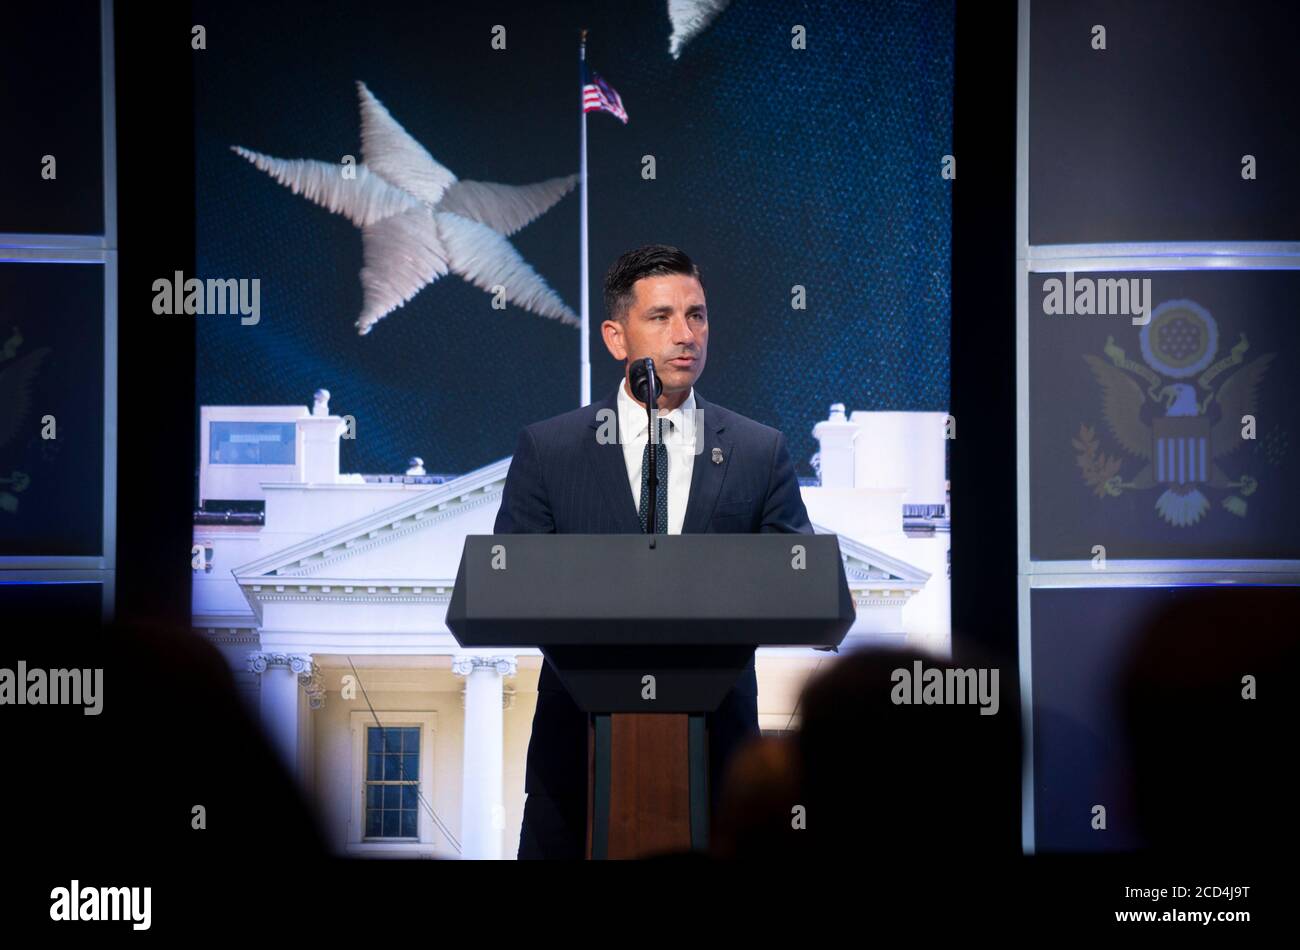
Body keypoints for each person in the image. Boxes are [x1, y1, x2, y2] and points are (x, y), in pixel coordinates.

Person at [496, 243, 813, 859]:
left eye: (696, 315)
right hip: (578, 755)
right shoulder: (551, 450)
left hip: (721, 753)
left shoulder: (756, 449)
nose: (685, 334)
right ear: (617, 337)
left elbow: (796, 576)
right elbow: (511, 580)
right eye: (662, 317)